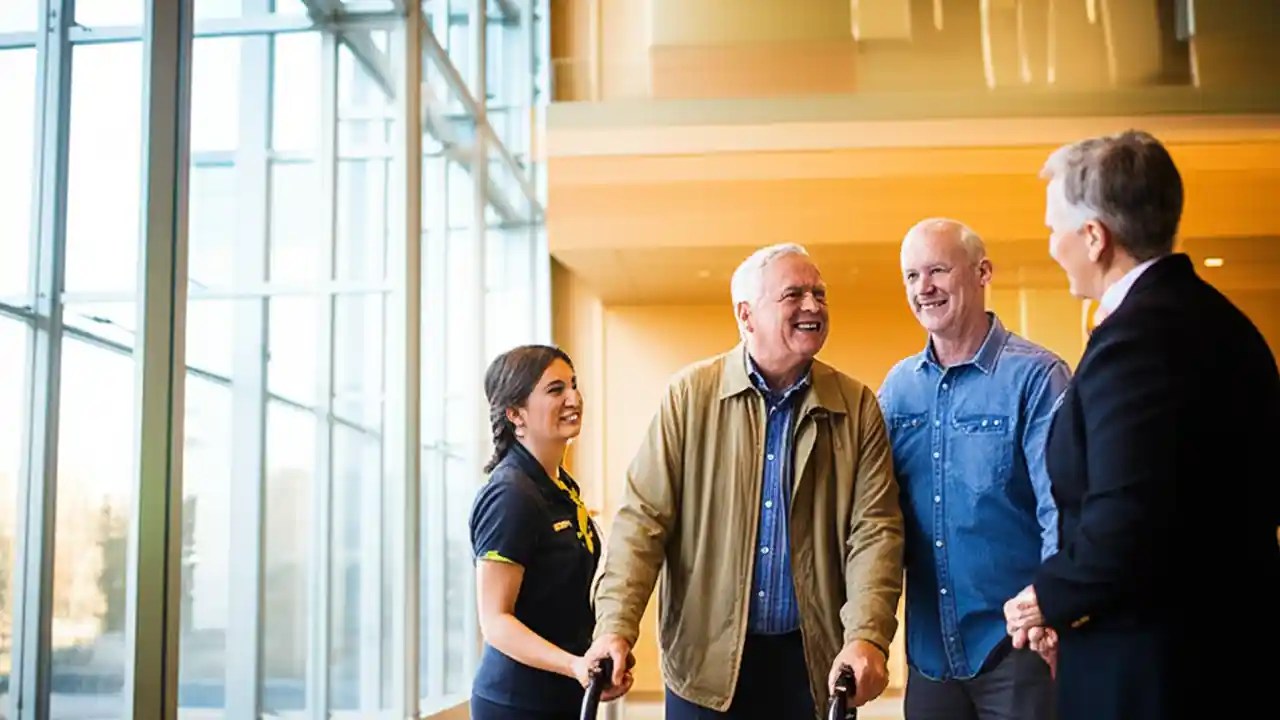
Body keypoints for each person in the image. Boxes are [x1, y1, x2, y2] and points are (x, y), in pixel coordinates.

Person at [1003, 129, 1280, 720]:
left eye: (1055, 229)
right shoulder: (1231, 327)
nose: (1052, 245)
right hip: (1233, 663)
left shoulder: (1136, 342)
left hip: (1152, 678)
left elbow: (1127, 521)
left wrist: (1046, 599)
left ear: (1095, 237)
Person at [585, 243, 905, 719]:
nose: (813, 306)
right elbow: (643, 521)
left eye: (820, 293)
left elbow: (875, 532)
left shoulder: (855, 406)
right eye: (793, 294)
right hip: (706, 666)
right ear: (747, 314)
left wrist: (867, 637)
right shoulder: (691, 396)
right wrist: (615, 627)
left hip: (813, 665)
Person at [878, 219, 1070, 720]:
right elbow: (872, 513)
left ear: (982, 272)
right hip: (929, 656)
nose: (925, 288)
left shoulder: (1036, 376)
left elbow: (1061, 505)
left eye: (938, 270)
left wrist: (1054, 606)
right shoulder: (898, 389)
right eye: (911, 276)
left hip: (1016, 647)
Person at [468, 344, 632, 719]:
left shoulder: (560, 487)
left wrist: (593, 657)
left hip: (559, 696)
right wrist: (574, 665)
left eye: (574, 385)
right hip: (516, 702)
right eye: (556, 390)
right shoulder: (510, 494)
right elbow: (495, 622)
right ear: (515, 414)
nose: (574, 397)